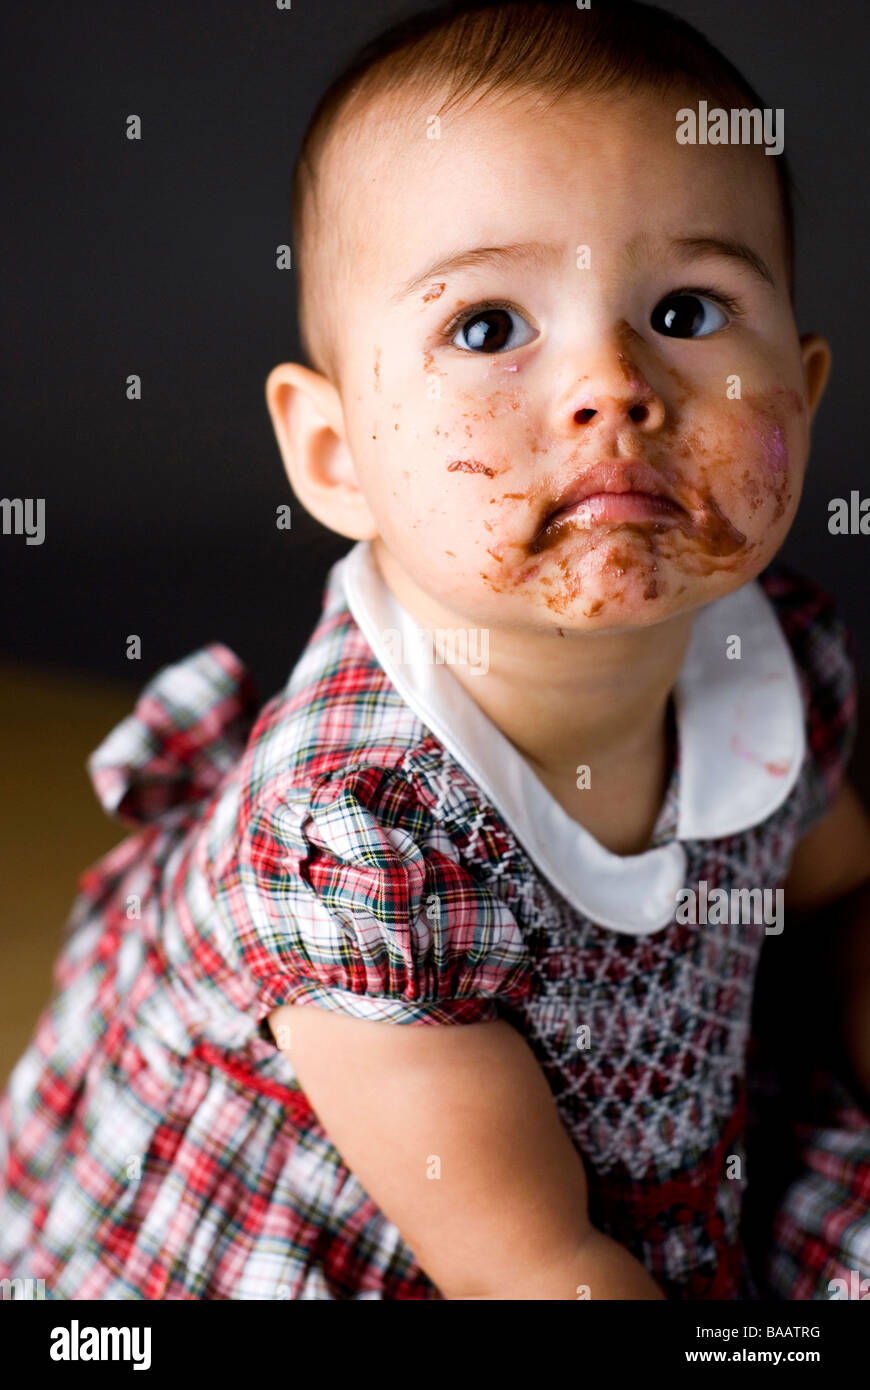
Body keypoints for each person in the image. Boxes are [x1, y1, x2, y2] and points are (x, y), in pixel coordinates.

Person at [2, 0, 869, 1301]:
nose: (612, 384)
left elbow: (829, 876)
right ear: (333, 455)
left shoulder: (768, 659)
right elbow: (531, 1267)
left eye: (687, 308)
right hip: (414, 1240)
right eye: (485, 328)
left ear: (800, 396)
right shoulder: (360, 841)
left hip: (651, 1153)